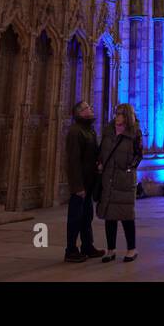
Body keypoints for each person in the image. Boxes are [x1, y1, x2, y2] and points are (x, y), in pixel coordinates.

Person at [96, 102, 143, 263]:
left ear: (128, 116)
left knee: (126, 215)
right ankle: (111, 250)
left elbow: (139, 154)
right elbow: (101, 150)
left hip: (124, 180)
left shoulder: (134, 133)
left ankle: (132, 249)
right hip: (109, 177)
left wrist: (129, 168)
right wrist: (100, 163)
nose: (118, 117)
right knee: (110, 216)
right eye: (116, 113)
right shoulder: (108, 131)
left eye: (121, 114)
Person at [63, 101, 103, 262]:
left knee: (87, 216)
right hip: (80, 185)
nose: (91, 109)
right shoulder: (75, 131)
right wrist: (77, 186)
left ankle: (87, 246)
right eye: (87, 108)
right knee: (75, 217)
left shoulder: (90, 131)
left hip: (89, 182)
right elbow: (73, 161)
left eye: (90, 107)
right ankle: (71, 250)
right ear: (79, 113)